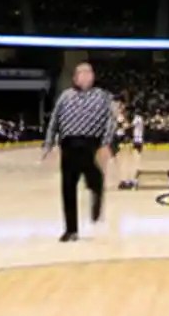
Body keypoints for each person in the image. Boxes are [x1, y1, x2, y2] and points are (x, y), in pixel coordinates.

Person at [41, 62, 116, 242]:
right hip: (67, 143)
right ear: (75, 77)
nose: (86, 75)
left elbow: (110, 120)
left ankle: (96, 187)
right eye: (81, 73)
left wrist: (106, 142)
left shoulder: (102, 96)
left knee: (91, 171)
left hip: (90, 141)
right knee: (68, 187)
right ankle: (71, 229)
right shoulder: (65, 96)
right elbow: (54, 120)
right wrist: (48, 143)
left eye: (89, 72)